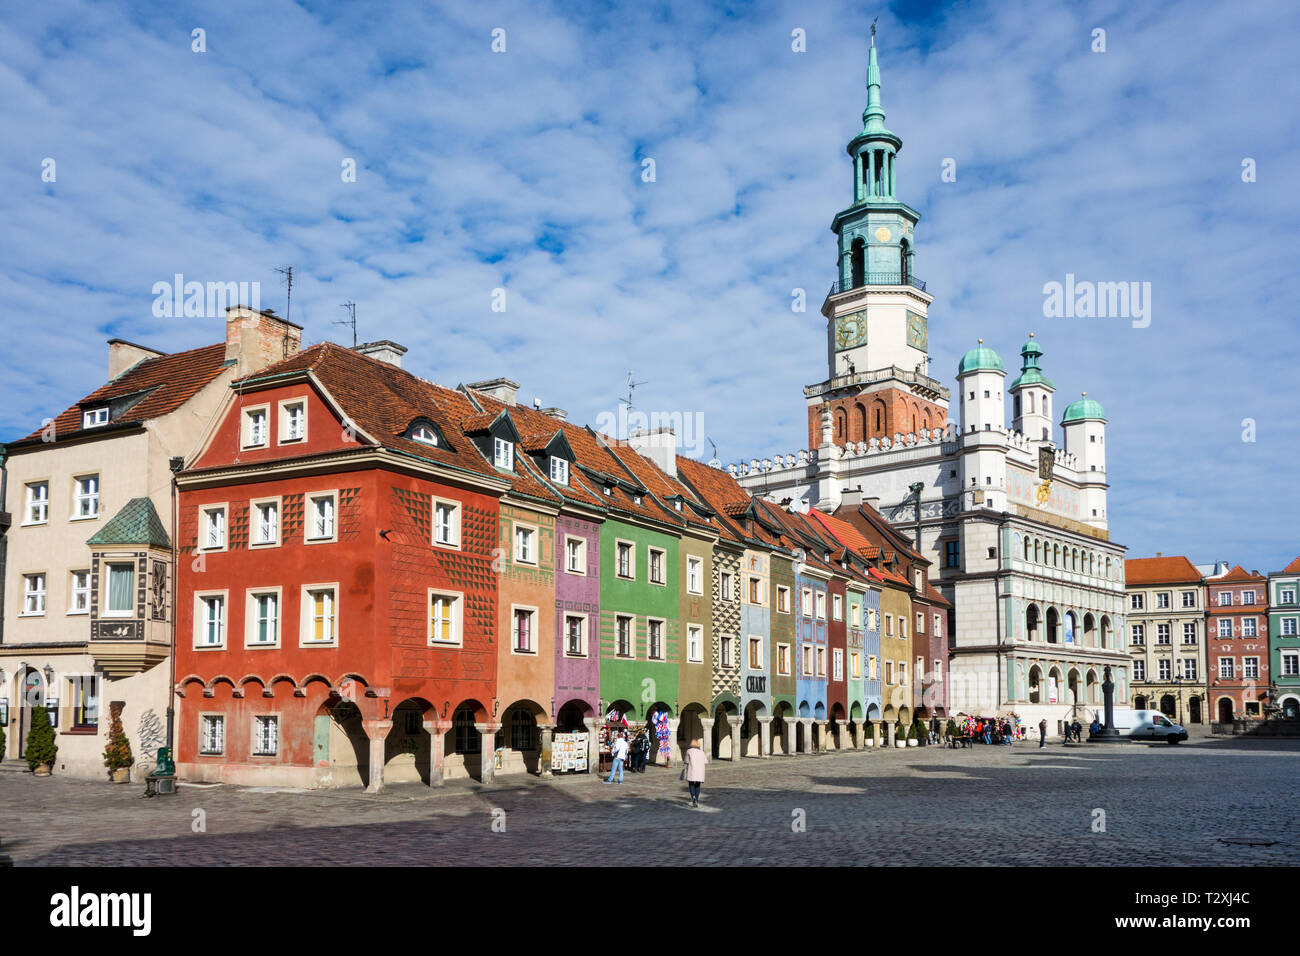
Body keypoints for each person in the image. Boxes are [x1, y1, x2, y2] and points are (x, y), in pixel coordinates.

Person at [683, 738, 708, 807]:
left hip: (692, 770)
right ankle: (696, 800)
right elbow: (706, 761)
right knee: (697, 785)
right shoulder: (701, 752)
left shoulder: (689, 751)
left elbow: (686, 761)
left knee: (691, 784)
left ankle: (693, 797)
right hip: (700, 771)